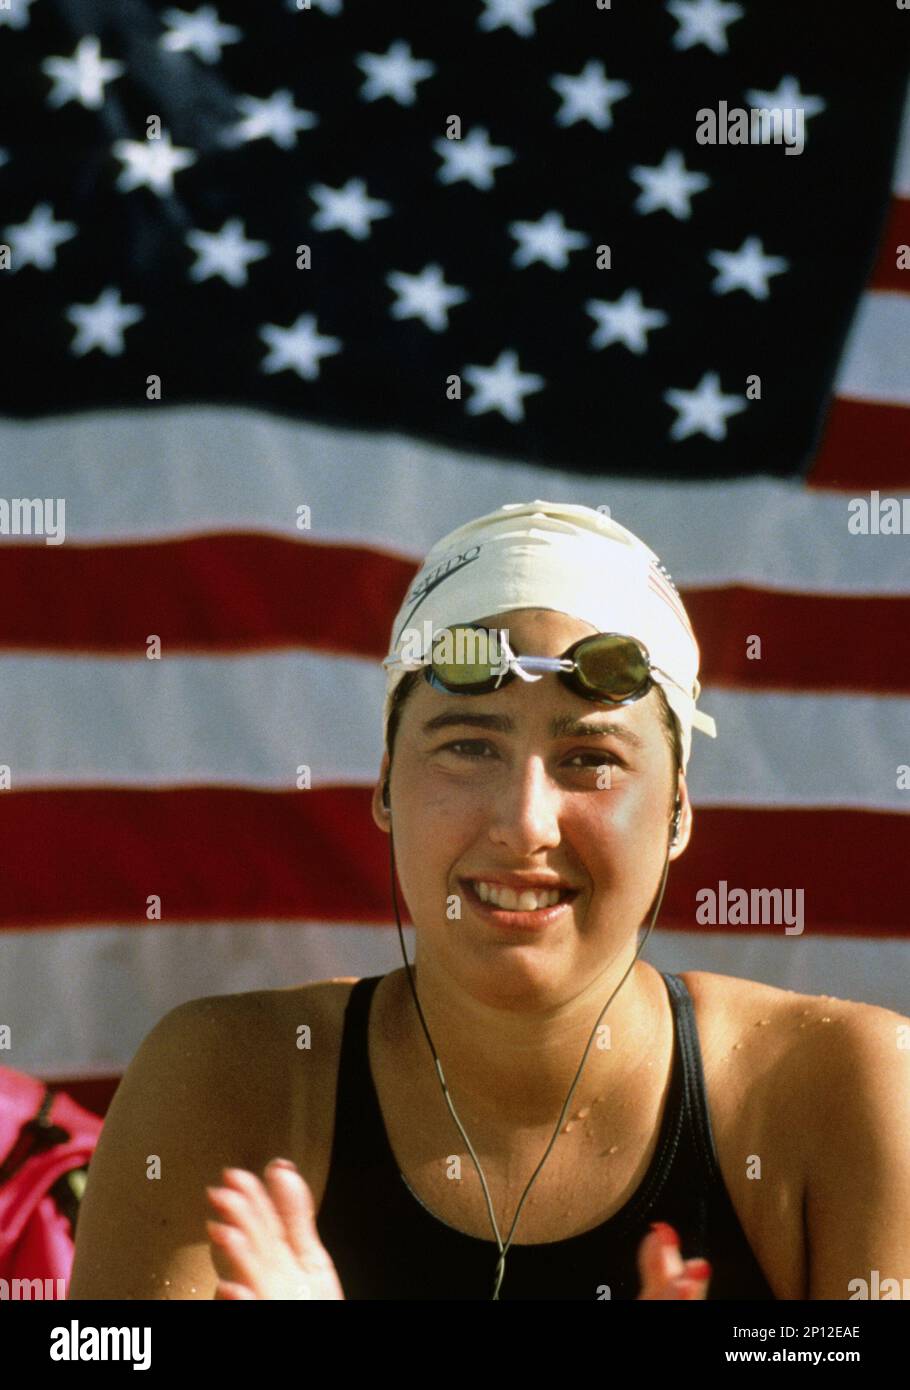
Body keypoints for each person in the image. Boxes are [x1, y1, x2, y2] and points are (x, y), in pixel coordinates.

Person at [68, 501, 910, 1301]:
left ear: (679, 812)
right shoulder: (225, 1085)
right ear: (385, 789)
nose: (524, 824)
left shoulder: (845, 1093)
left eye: (591, 758)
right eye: (469, 746)